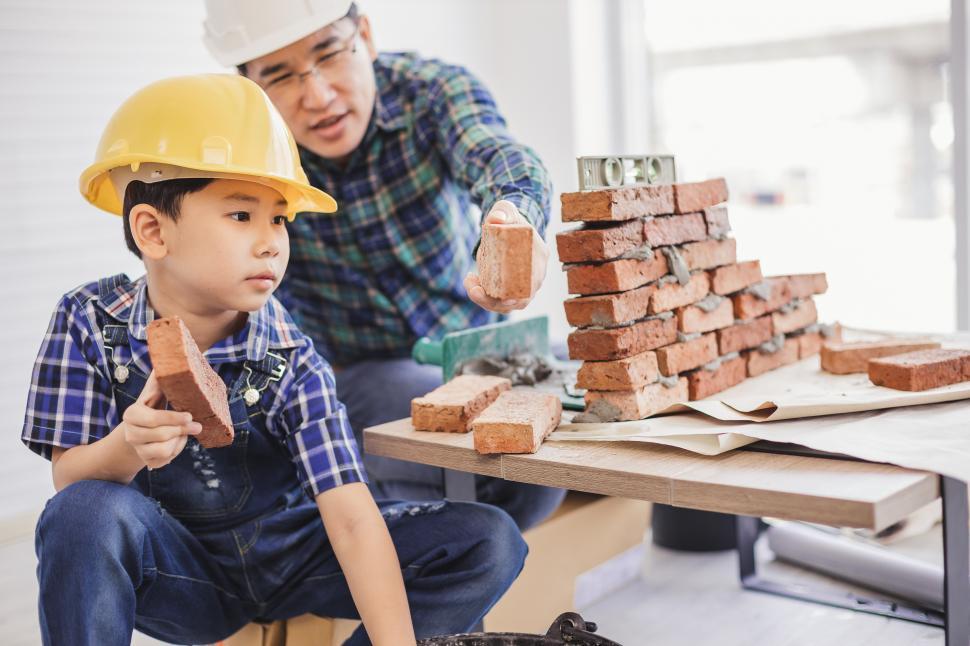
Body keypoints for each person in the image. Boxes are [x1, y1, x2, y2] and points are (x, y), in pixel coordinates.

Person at [22, 74, 526, 646]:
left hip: (294, 558)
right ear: (152, 231)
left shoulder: (292, 359)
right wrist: (127, 448)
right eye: (242, 216)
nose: (271, 242)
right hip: (181, 574)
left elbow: (351, 516)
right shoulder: (89, 322)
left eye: (280, 218)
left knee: (489, 539)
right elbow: (69, 483)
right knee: (84, 513)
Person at [203, 1, 566, 528]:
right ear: (251, 86)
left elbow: (500, 158)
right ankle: (422, 526)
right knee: (397, 391)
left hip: (476, 349)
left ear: (365, 36)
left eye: (329, 54)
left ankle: (457, 526)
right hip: (361, 374)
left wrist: (515, 218)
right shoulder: (248, 154)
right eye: (280, 77)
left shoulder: (433, 93)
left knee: (563, 383)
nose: (318, 97)